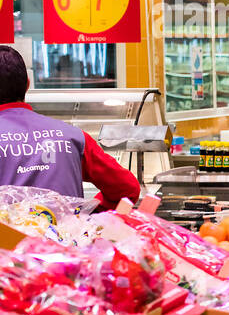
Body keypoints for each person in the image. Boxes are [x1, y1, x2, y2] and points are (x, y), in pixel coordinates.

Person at [0, 47, 139, 209]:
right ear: (27, 85)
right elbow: (128, 189)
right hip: (64, 234)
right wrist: (87, 213)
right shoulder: (74, 136)